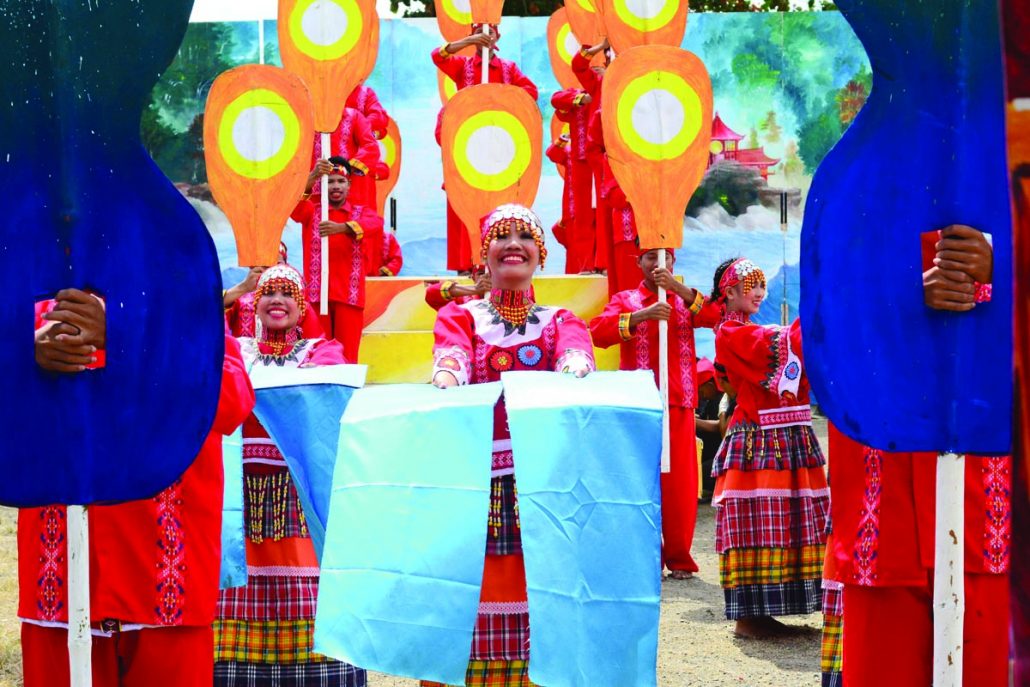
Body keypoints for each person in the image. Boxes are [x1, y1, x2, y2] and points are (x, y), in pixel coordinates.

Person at [21, 290, 255, 687]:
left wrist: (126, 335)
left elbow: (231, 402)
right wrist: (21, 361)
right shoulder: (34, 307)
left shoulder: (187, 305)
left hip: (166, 581)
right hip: (59, 576)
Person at [823, 225, 1010, 687]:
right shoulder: (861, 204)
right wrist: (899, 300)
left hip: (990, 509)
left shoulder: (1014, 202)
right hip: (884, 514)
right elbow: (818, 336)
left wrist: (1005, 269)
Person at [425, 204, 594, 687]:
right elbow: (452, 354)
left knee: (549, 591)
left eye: (525, 236)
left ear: (540, 253)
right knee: (471, 589)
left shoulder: (560, 320)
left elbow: (575, 355)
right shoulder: (462, 315)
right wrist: (447, 376)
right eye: (502, 236)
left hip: (546, 485)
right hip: (478, 482)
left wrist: (575, 371)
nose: (514, 243)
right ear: (486, 254)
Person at [214, 265, 364, 686]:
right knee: (237, 574)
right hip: (240, 491)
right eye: (267, 293)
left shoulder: (322, 352)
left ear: (301, 307)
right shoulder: (236, 349)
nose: (277, 301)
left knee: (306, 579)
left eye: (287, 294)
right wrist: (237, 287)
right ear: (254, 305)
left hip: (298, 491)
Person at [710, 257, 829, 638]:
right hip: (760, 441)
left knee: (793, 521)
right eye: (751, 284)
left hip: (788, 436)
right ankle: (750, 616)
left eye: (762, 283)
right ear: (728, 292)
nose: (759, 291)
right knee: (761, 523)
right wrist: (813, 308)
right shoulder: (729, 333)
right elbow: (779, 345)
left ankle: (775, 607)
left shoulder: (751, 332)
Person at [590, 248, 720, 578]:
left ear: (674, 261)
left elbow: (715, 316)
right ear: (638, 262)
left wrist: (677, 289)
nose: (659, 263)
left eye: (666, 257)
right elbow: (599, 333)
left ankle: (679, 558)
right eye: (650, 257)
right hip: (638, 403)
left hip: (678, 402)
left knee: (680, 485)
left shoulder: (685, 298)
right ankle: (644, 556)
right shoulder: (627, 299)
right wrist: (641, 316)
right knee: (638, 481)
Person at [432, 26, 539, 274]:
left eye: (489, 31)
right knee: (465, 206)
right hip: (468, 144)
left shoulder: (508, 69)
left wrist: (499, 103)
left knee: (499, 208)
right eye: (479, 31)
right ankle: (466, 266)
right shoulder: (464, 66)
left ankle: (498, 264)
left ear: (498, 36)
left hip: (500, 147)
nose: (485, 35)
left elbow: (530, 93)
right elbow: (438, 56)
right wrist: (468, 41)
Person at [291, 156, 385, 361]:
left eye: (341, 181)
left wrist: (341, 228)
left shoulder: (361, 212)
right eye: (330, 181)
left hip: (348, 297)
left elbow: (375, 223)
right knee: (317, 353)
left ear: (349, 184)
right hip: (317, 296)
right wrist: (313, 175)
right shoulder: (312, 211)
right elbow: (293, 208)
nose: (336, 186)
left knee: (348, 356)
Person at [223, 244, 324, 339]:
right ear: (254, 267)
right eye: (265, 265)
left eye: (277, 265)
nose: (272, 270)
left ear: (286, 267)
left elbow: (317, 347)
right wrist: (243, 287)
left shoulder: (299, 302)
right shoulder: (240, 301)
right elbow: (209, 314)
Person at [573, 40, 612, 276]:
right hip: (601, 153)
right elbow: (578, 66)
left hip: (629, 154)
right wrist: (599, 46)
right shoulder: (598, 82)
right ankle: (599, 263)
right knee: (600, 208)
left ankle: (616, 263)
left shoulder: (633, 78)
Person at [552, 88, 596, 273]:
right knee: (580, 227)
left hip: (606, 161)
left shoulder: (613, 92)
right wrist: (582, 98)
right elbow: (557, 100)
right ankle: (585, 266)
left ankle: (601, 265)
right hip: (583, 164)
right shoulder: (579, 99)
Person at [312, 107, 381, 208]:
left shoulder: (354, 116)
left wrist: (346, 168)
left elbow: (370, 146)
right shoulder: (306, 116)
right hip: (316, 193)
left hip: (349, 193)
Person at [694, 358, 724, 500]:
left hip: (723, 453)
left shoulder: (724, 398)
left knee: (696, 474)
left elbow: (722, 427)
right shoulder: (709, 400)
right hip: (712, 449)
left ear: (711, 385)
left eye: (701, 391)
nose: (701, 396)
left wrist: (694, 422)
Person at [425, 271, 492, 311]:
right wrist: (475, 289)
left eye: (491, 273)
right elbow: (431, 294)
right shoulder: (464, 299)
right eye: (481, 273)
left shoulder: (501, 298)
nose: (485, 277)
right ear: (473, 277)